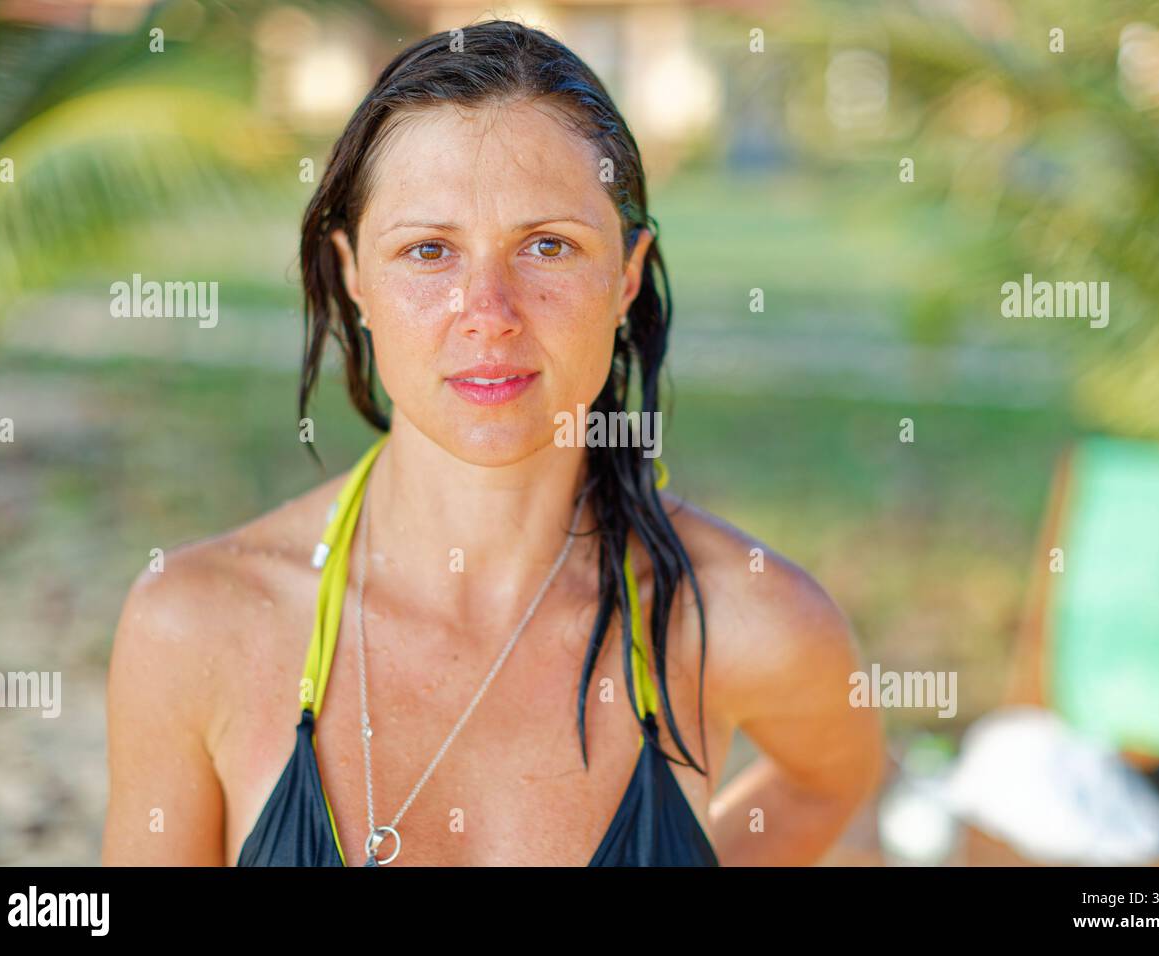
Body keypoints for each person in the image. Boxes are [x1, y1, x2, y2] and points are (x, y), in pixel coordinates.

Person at [101, 19, 884, 867]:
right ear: (355, 273)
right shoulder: (196, 627)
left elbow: (829, 781)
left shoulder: (743, 620)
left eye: (547, 246)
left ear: (625, 276)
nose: (488, 311)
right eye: (428, 250)